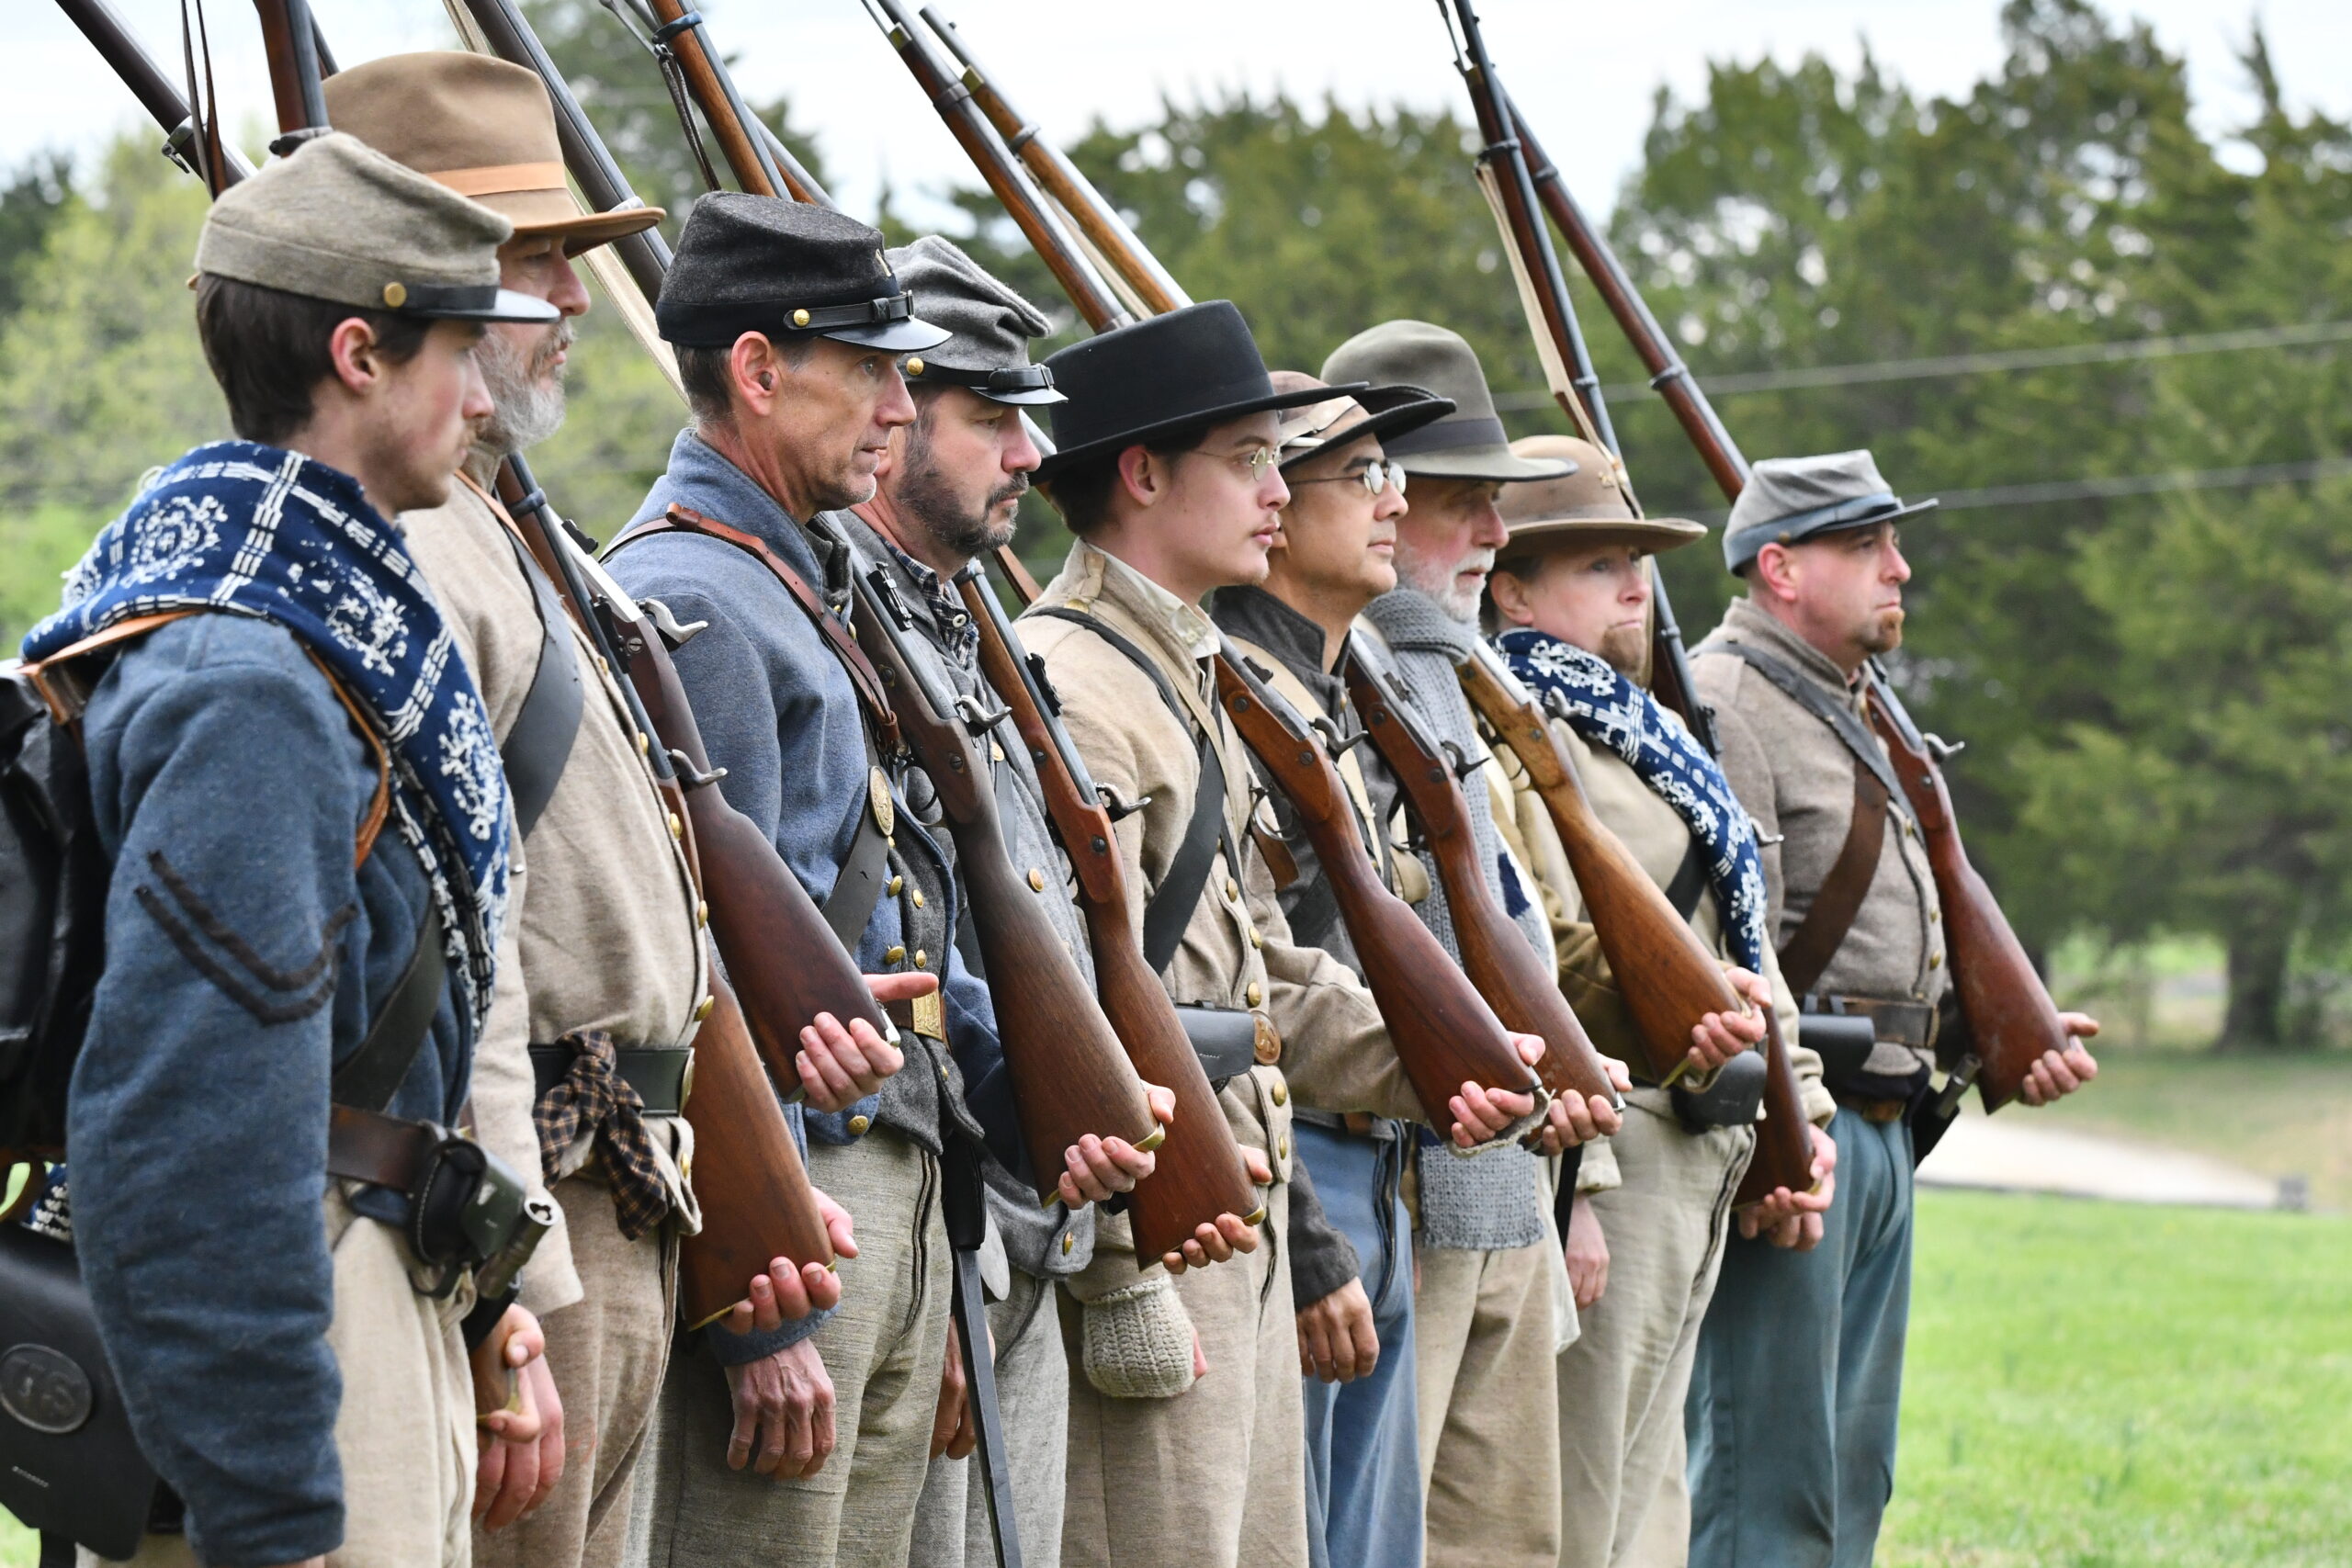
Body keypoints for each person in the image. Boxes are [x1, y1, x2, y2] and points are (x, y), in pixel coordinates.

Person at [321, 54, 899, 1564]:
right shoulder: (405, 545)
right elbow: (459, 941)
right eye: (534, 263)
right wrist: (512, 1280)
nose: (578, 299)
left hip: (621, 1182)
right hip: (535, 1192)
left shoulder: (508, 527)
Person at [23, 131, 560, 1566]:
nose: (484, 392)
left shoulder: (298, 624)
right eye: (458, 348)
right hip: (299, 1318)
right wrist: (268, 1502)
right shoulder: (254, 683)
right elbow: (192, 1127)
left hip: (363, 1280)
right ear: (359, 354)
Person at [607, 196, 1152, 1568]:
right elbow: (700, 981)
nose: (900, 409)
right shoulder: (699, 597)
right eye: (871, 370)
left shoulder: (793, 585)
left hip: (889, 1184)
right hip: (803, 1204)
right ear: (757, 371)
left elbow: (905, 914)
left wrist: (1032, 1099)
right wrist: (760, 1298)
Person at [1019, 303, 1555, 1568]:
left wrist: (1446, 1061)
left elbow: (1258, 975)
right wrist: (1123, 1269)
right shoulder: (1076, 684)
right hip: (1165, 1229)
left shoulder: (1178, 672)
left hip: (1235, 1214)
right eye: (1251, 458)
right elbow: (1077, 1009)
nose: (1279, 489)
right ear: (1144, 475)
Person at [1685, 450, 2100, 1568]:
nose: (1898, 569)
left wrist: (1993, 1034)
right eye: (1865, 545)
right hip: (1797, 1132)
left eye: (1893, 543)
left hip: (1883, 1126)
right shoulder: (1726, 702)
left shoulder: (1856, 708)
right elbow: (1734, 952)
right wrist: (1776, 1140)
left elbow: (1880, 929)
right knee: (1765, 1480)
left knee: (1849, 1474)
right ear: (1780, 569)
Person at [1479, 434, 1836, 1568]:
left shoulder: (1645, 735)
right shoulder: (1514, 729)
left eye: (1635, 561)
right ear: (1511, 588)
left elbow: (1740, 941)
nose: (1634, 585)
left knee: (1651, 1509)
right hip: (1618, 1142)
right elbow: (1538, 957)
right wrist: (1580, 1181)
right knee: (1579, 1505)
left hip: (1701, 1148)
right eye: (1597, 563)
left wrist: (1804, 1112)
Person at [1321, 321, 1622, 1568]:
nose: (1494, 533)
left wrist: (1578, 1184)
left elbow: (1518, 929)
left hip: (1503, 1177)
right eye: (1462, 503)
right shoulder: (1336, 671)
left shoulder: (1445, 670)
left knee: (1505, 1536)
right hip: (1403, 1169)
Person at [831, 233, 1107, 1568]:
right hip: (931, 1214)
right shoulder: (844, 613)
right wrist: (956, 1251)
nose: (1028, 454)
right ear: (894, 419)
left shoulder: (956, 622)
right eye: (990, 416)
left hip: (1015, 1219)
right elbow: (881, 949)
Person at [1206, 372, 1464, 1568]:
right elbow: (1243, 993)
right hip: (1298, 1163)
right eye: (1360, 475)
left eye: (1390, 474)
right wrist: (1308, 1234)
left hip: (1381, 1158)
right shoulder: (1240, 695)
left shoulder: (1342, 688)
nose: (1393, 501)